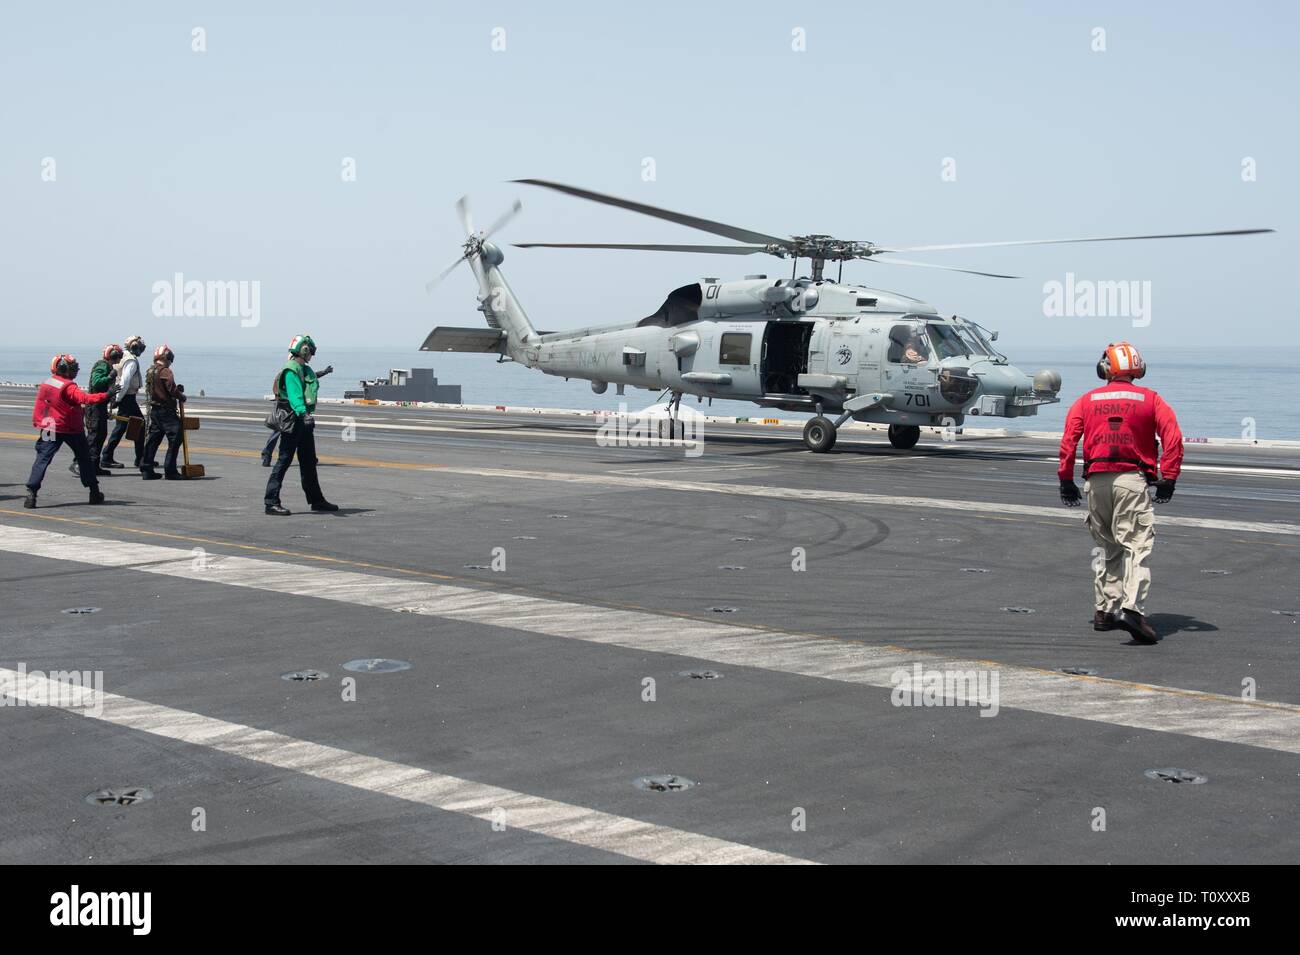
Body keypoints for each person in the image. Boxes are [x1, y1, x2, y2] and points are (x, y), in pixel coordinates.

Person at [1058, 342, 1183, 644]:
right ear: (1137, 367)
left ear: (1106, 368)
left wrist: (1065, 480)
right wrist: (1169, 477)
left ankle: (1104, 611)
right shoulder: (1151, 399)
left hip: (1096, 481)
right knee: (1137, 547)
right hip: (1131, 479)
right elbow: (1173, 438)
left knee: (1107, 546)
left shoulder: (1086, 400)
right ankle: (1133, 611)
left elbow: (1068, 441)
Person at [24, 354, 111, 508]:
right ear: (64, 369)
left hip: (49, 427)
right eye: (73, 368)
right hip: (71, 429)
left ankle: (31, 493)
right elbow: (84, 398)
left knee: (42, 459)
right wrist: (107, 395)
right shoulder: (69, 386)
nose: (75, 371)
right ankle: (94, 491)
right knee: (84, 459)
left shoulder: (47, 383)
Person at [264, 334, 338, 515]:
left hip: (304, 420)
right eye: (310, 352)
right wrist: (303, 414)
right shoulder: (291, 370)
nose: (311, 355)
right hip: (293, 420)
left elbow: (310, 381)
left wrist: (306, 416)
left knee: (309, 461)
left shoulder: (304, 369)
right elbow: (296, 395)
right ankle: (271, 502)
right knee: (284, 460)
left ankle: (317, 500)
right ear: (304, 350)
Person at [262, 362, 333, 466]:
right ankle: (267, 456)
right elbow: (277, 391)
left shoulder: (293, 372)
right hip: (286, 408)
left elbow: (311, 376)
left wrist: (324, 372)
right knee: (280, 432)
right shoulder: (286, 374)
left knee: (294, 433)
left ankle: (267, 456)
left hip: (292, 407)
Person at [71, 344, 122, 478]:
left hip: (100, 405)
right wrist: (110, 377)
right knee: (94, 436)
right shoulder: (102, 365)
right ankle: (78, 463)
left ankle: (94, 465)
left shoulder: (107, 366)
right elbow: (96, 383)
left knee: (100, 435)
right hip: (94, 406)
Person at [139, 344, 188, 480]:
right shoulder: (165, 371)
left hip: (155, 410)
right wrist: (181, 396)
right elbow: (171, 388)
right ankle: (170, 470)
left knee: (153, 439)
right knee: (176, 437)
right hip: (166, 411)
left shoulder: (151, 370)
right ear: (167, 357)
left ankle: (146, 468)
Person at [101, 335, 147, 469]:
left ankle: (139, 457)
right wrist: (118, 399)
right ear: (135, 346)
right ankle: (108, 456)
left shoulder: (123, 356)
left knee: (130, 426)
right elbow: (125, 382)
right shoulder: (130, 360)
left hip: (124, 397)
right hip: (127, 398)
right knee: (135, 425)